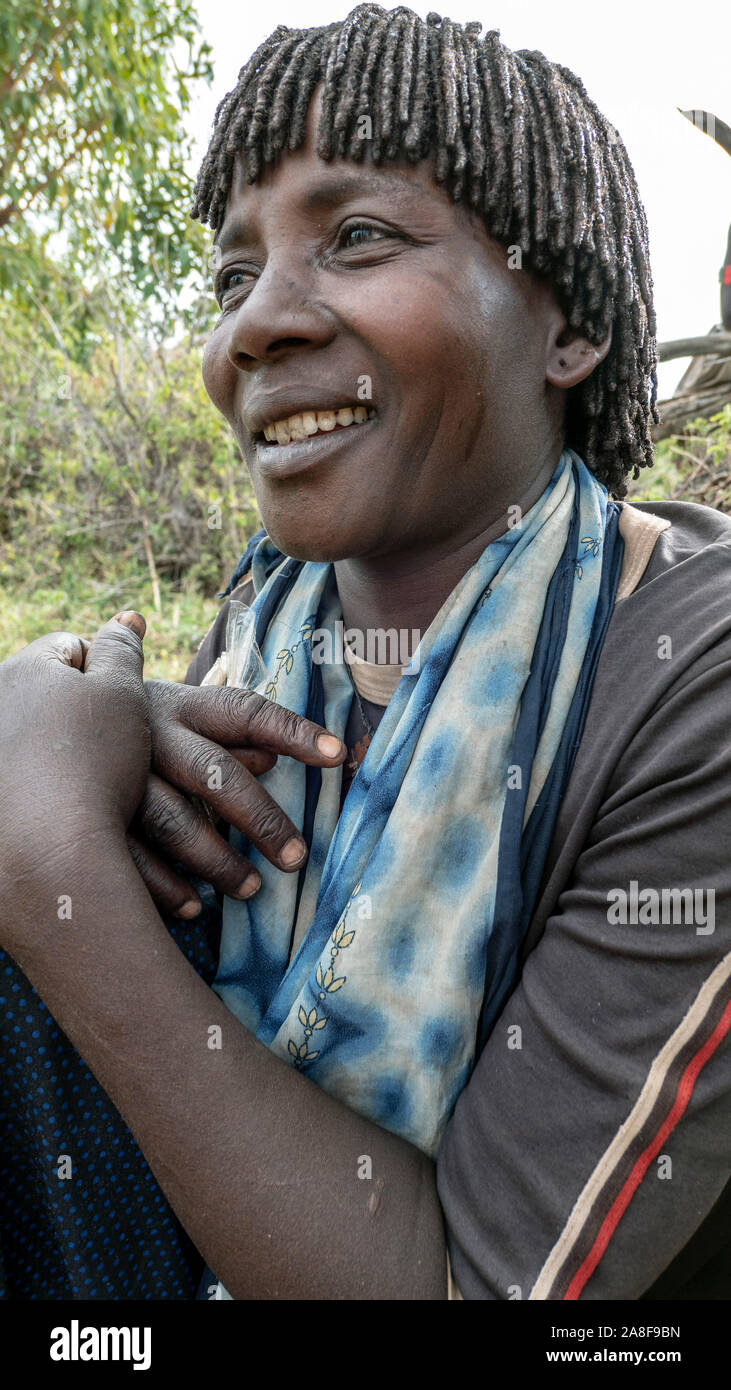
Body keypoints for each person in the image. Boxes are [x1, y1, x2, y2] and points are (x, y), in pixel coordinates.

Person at [1, 6, 729, 1302]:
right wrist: (110, 741)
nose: (254, 328)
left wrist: (52, 863)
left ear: (569, 328)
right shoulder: (277, 617)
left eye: (360, 236)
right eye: (232, 277)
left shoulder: (685, 673)